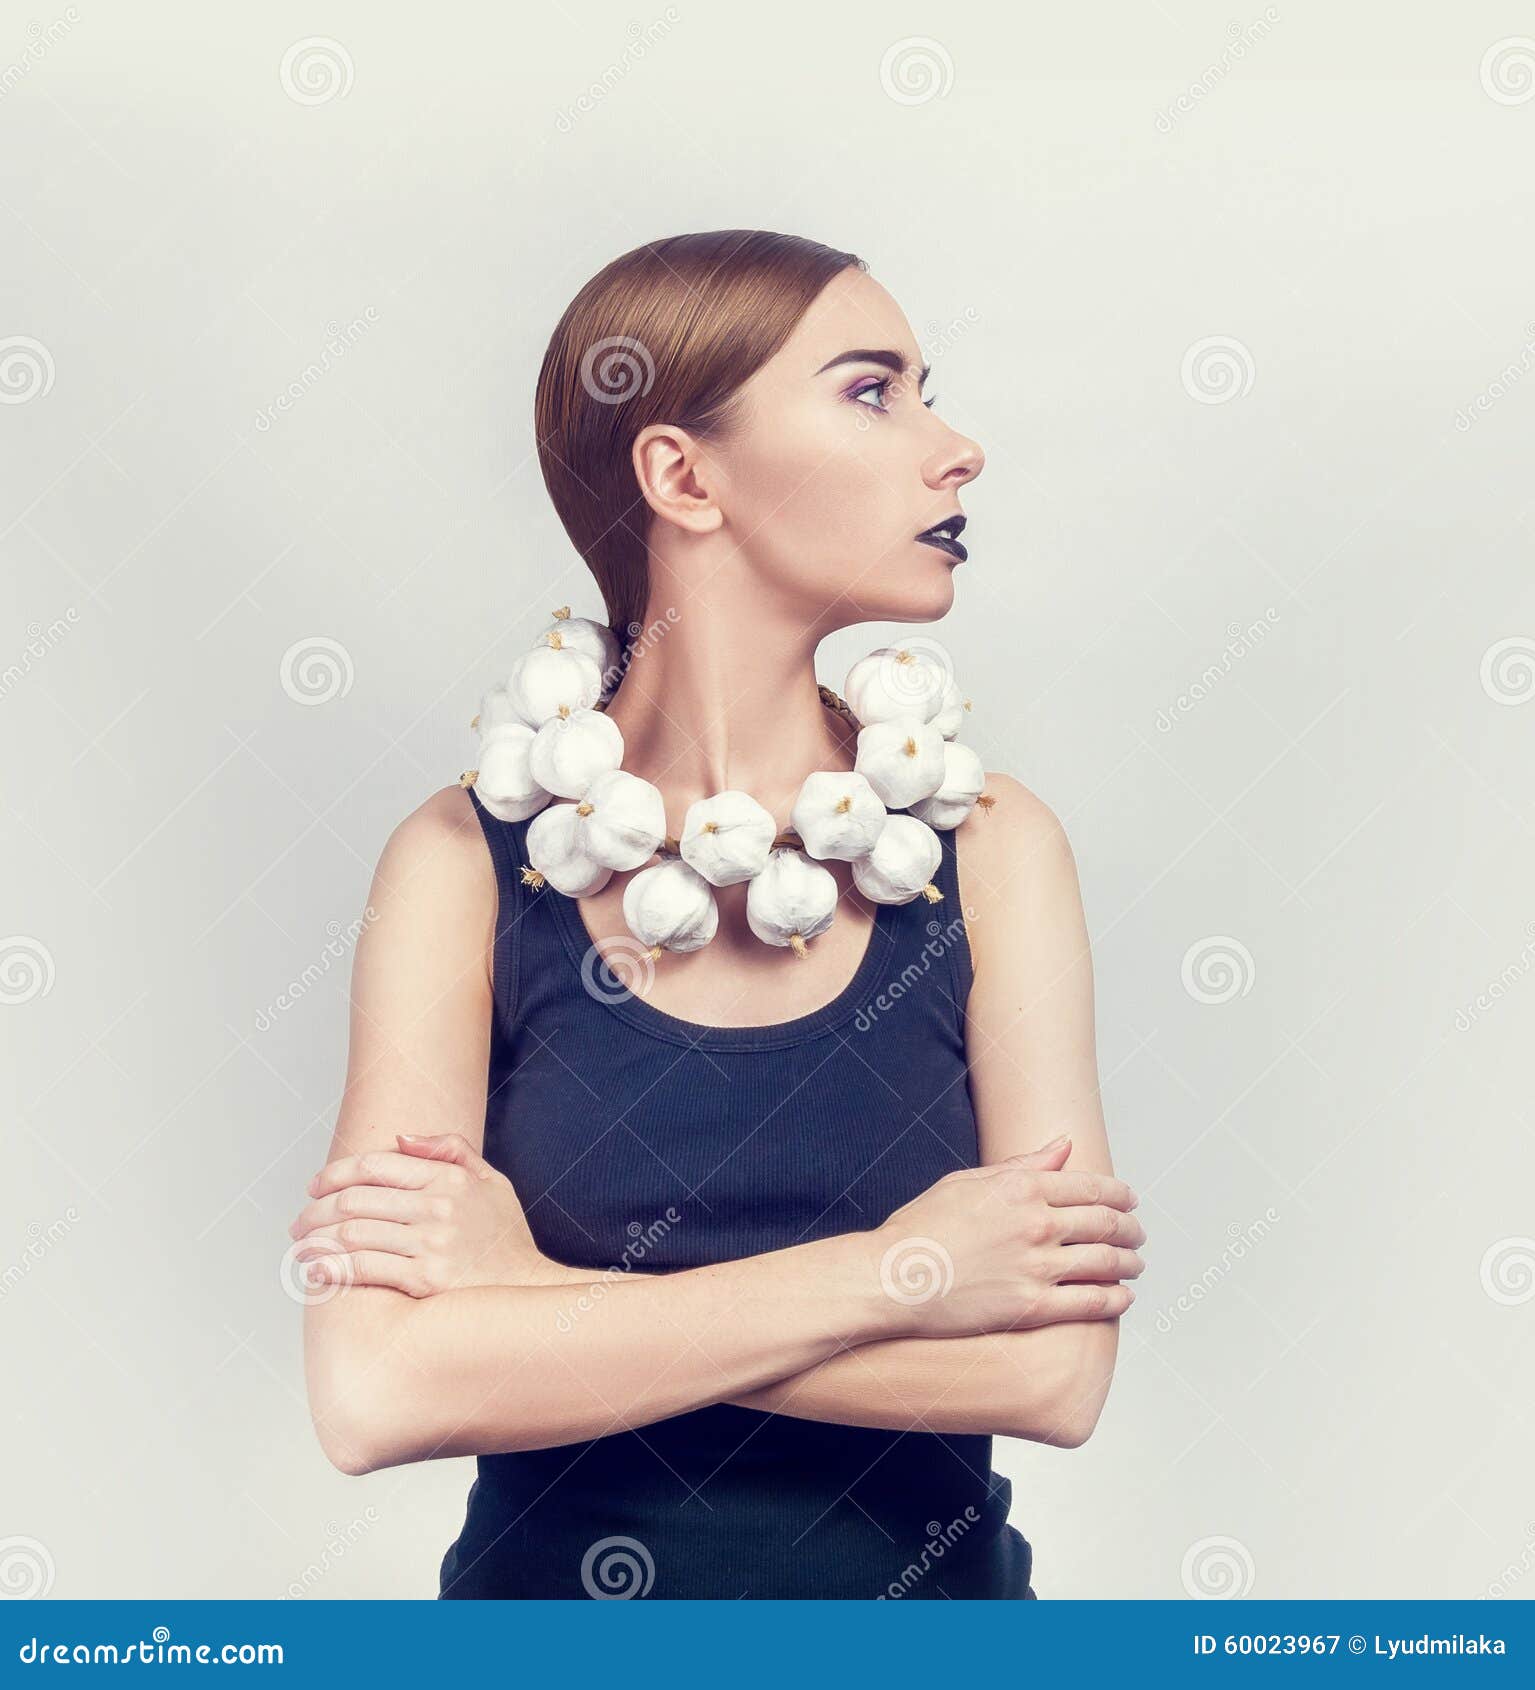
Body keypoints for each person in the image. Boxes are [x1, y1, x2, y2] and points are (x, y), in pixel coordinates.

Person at [289, 230, 1145, 1600]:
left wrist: (523, 1301)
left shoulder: (994, 849)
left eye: (927, 388)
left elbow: (1053, 1369)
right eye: (875, 392)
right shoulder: (459, 863)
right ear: (683, 475)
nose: (956, 445)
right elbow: (377, 1389)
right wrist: (904, 1275)